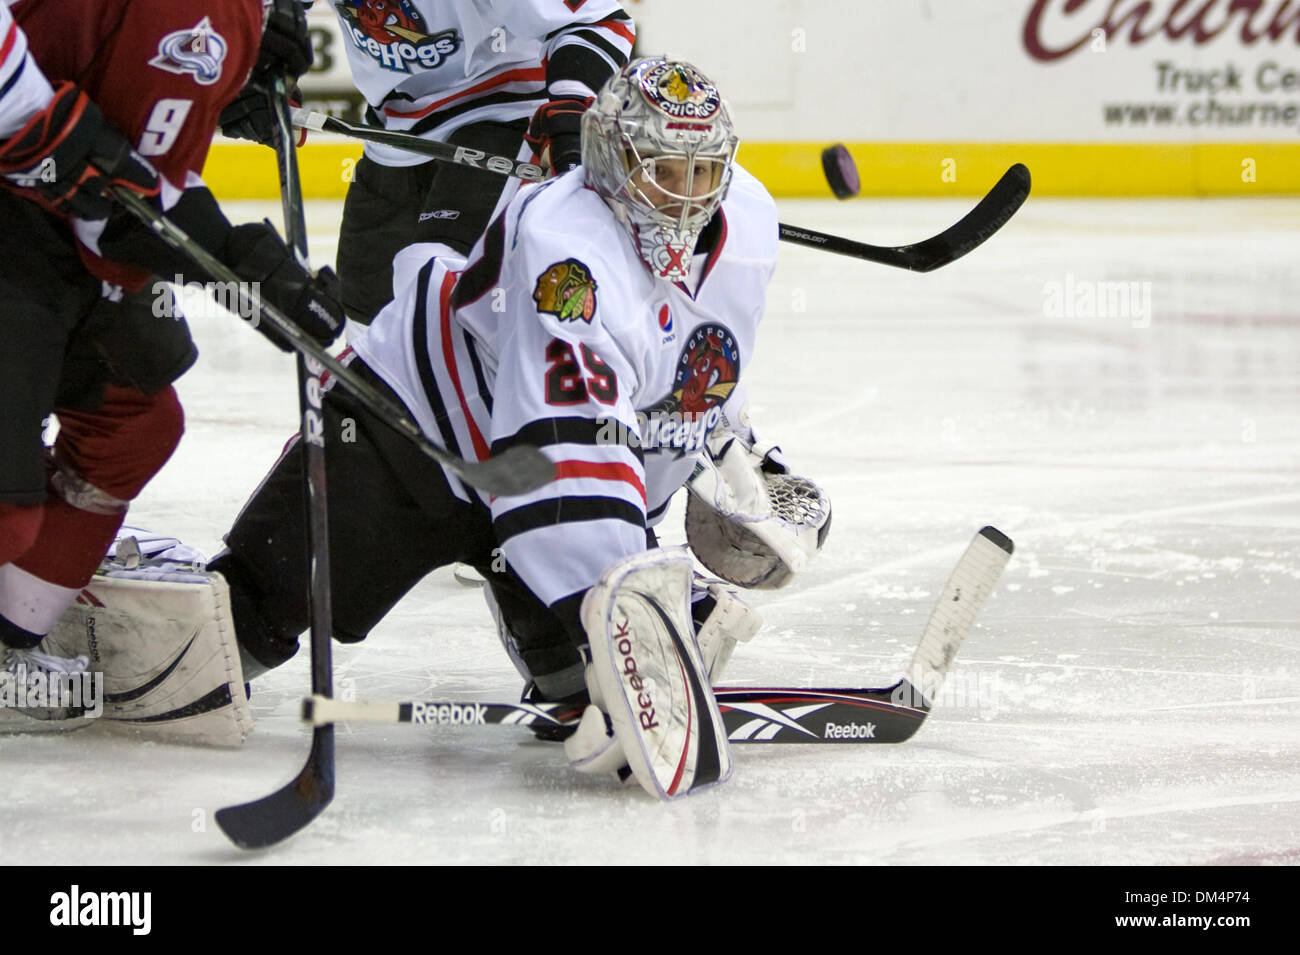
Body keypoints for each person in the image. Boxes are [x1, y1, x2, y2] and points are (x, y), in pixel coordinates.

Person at [205, 57, 830, 795]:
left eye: (701, 173)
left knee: (582, 669)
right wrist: (627, 612)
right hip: (411, 434)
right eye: (661, 169)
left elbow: (693, 353)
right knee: (224, 641)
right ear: (609, 157)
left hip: (520, 479)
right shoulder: (568, 248)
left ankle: (548, 638)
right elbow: (564, 456)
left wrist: (726, 446)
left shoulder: (750, 222)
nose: (684, 200)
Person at [0, 0, 345, 701]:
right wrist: (27, 112)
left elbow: (137, 191)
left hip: (62, 246)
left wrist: (251, 274)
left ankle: (7, 643)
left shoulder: (235, 16)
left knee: (135, 424)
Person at [221, 0, 636, 324]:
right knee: (367, 314)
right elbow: (264, 17)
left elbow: (598, 22)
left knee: (433, 283)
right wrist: (254, 73)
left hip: (507, 113)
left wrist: (572, 107)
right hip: (396, 130)